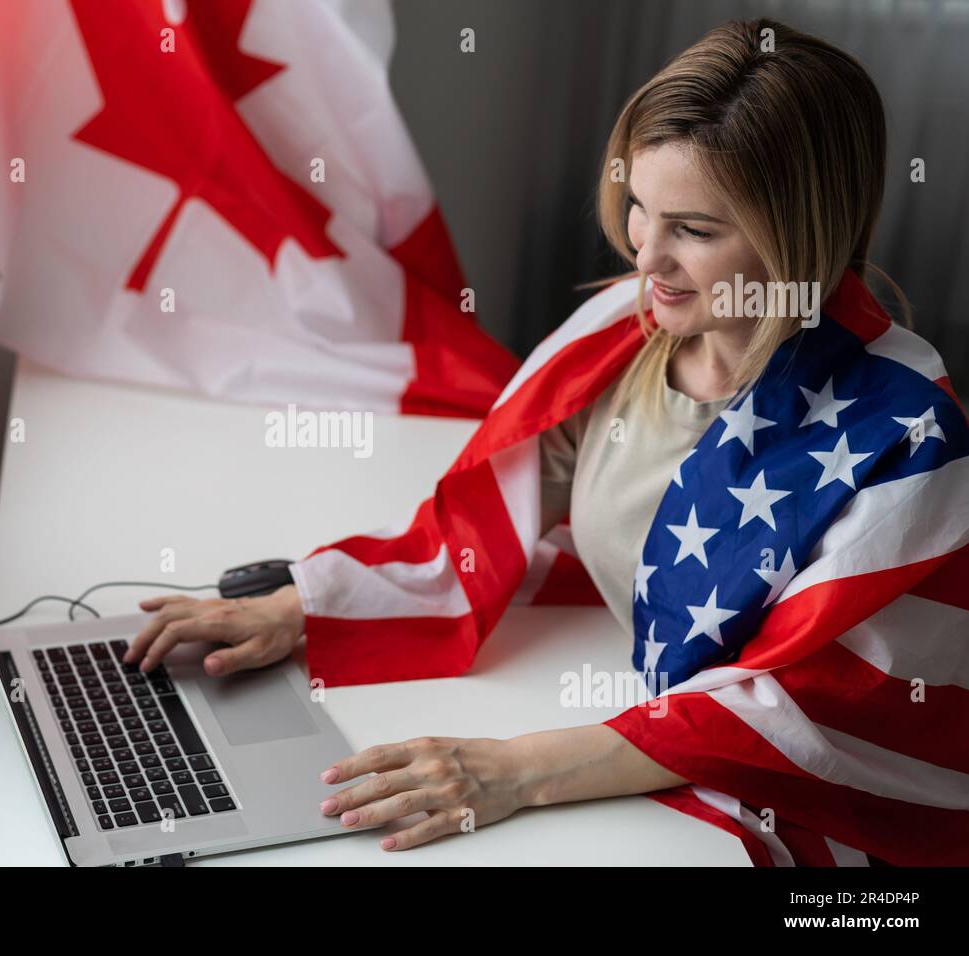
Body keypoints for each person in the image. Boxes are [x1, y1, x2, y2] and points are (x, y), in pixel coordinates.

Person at [124, 18, 969, 864]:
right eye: (640, 209)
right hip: (637, 731)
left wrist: (514, 769)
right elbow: (491, 521)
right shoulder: (627, 328)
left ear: (804, 233)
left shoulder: (909, 438)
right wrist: (302, 607)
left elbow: (814, 711)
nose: (648, 257)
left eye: (696, 231)